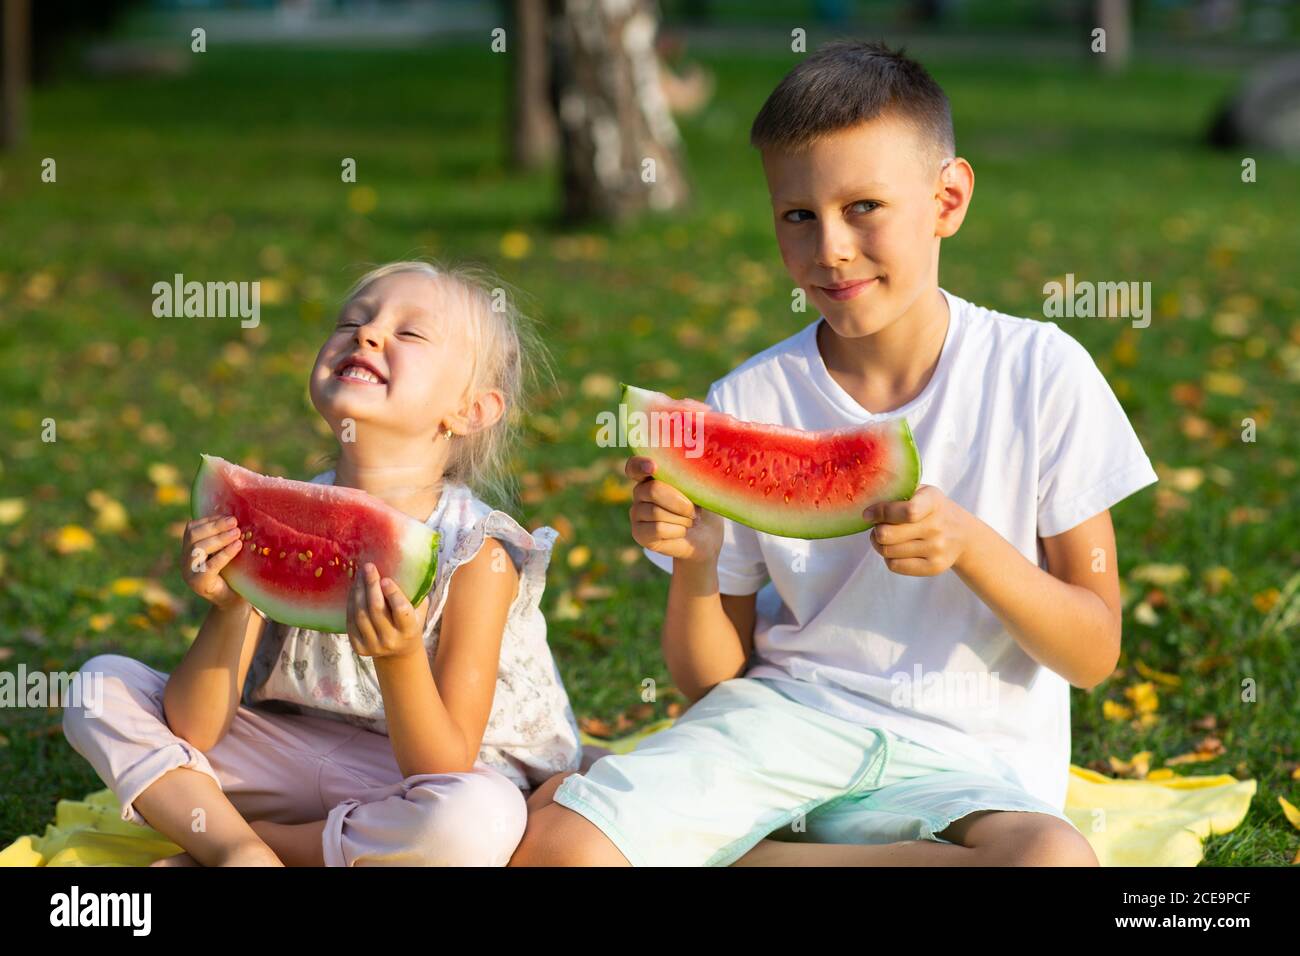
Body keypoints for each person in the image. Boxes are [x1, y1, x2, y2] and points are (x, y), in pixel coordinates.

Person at [513, 41, 1156, 867]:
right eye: (798, 216)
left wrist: (970, 547)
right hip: (783, 725)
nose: (831, 250)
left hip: (968, 766)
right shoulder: (747, 400)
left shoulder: (1041, 372)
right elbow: (710, 682)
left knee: (1054, 861)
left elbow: (1094, 651)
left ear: (948, 200)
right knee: (560, 851)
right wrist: (700, 562)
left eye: (864, 209)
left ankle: (749, 855)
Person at [64, 261, 581, 866]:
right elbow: (194, 729)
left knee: (480, 820)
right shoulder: (280, 517)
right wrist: (232, 608)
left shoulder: (479, 554)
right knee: (100, 686)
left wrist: (400, 658)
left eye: (408, 334)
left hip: (417, 783)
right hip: (286, 750)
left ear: (471, 411)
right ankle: (238, 851)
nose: (366, 334)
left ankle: (255, 846)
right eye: (352, 320)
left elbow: (444, 763)